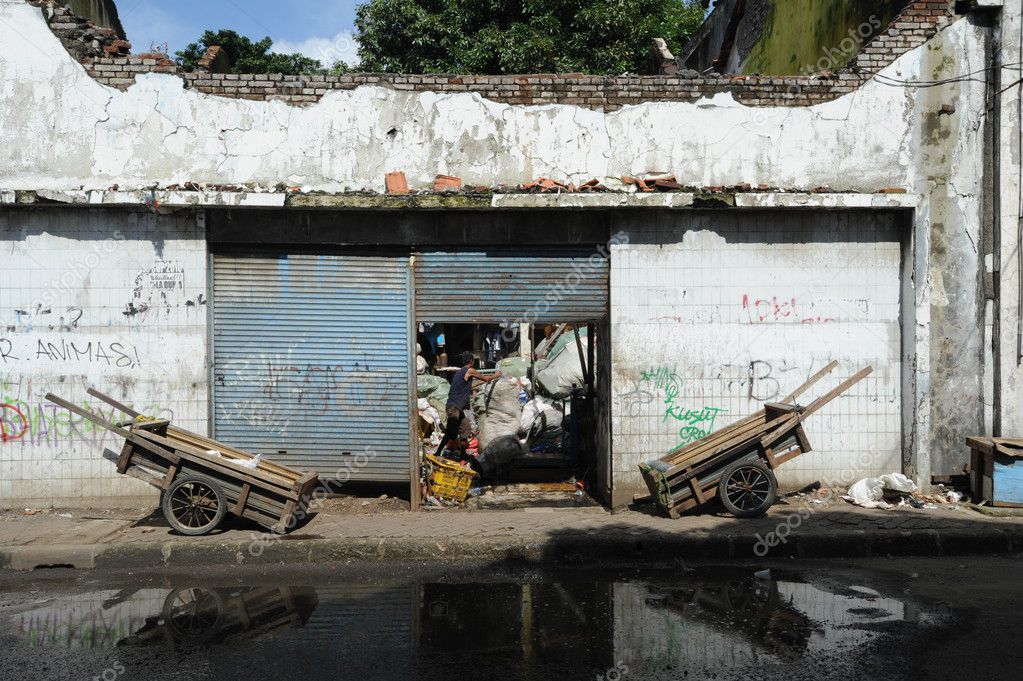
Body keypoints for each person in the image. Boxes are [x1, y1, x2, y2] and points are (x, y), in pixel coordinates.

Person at [435, 351, 501, 457]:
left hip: (457, 407)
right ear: (471, 361)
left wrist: (483, 382)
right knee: (450, 432)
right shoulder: (470, 370)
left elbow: (471, 385)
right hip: (454, 407)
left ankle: (463, 454)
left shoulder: (461, 372)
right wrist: (496, 375)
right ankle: (437, 452)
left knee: (465, 427)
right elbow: (486, 378)